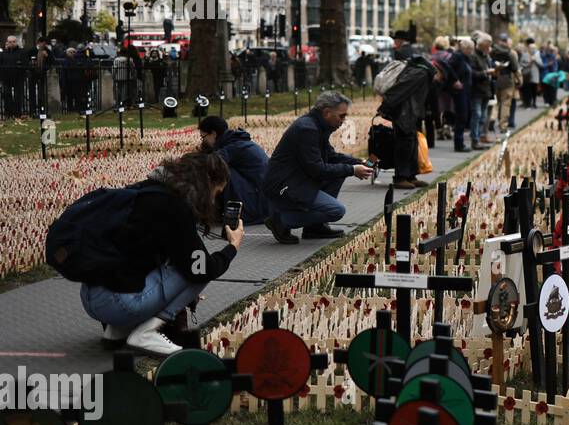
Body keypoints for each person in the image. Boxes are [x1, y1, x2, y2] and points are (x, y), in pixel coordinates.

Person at [79, 152, 244, 356]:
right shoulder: (175, 207)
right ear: (207, 183)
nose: (214, 200)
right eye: (216, 193)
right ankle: (145, 333)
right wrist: (232, 247)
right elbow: (202, 268)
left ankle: (116, 331)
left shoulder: (146, 189)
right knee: (200, 271)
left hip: (90, 297)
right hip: (118, 303)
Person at [262, 90, 373, 243]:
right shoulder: (307, 129)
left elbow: (331, 156)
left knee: (338, 172)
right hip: (284, 185)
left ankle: (315, 227)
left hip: (297, 178)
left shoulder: (317, 125)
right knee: (336, 211)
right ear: (327, 112)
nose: (344, 120)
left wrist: (357, 163)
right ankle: (281, 220)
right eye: (342, 116)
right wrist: (352, 170)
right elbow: (317, 169)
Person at [381, 29, 433, 189]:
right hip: (407, 110)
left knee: (408, 142)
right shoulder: (418, 67)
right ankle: (403, 176)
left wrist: (387, 104)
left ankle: (407, 175)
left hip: (407, 109)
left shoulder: (406, 56)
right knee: (406, 142)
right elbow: (402, 87)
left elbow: (401, 86)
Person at [200, 115, 271, 224]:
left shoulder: (234, 147)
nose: (202, 141)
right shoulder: (236, 142)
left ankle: (216, 212)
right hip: (262, 202)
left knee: (220, 171)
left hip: (256, 206)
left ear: (213, 134)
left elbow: (206, 163)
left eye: (203, 137)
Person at [468, 35, 496, 148]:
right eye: (487, 46)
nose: (488, 48)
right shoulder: (474, 56)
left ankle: (478, 137)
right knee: (477, 115)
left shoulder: (486, 56)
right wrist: (486, 72)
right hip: (477, 90)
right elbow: (472, 74)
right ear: (481, 45)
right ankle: (475, 139)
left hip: (485, 90)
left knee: (483, 116)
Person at [448, 38, 473, 151]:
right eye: (470, 49)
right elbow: (448, 67)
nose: (471, 51)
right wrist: (455, 80)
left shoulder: (465, 58)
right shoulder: (457, 56)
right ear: (465, 48)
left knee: (464, 115)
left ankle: (460, 142)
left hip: (466, 90)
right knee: (461, 116)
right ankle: (458, 143)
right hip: (460, 91)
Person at [491, 34, 519, 131]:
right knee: (505, 104)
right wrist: (519, 80)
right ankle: (503, 125)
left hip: (494, 79)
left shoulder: (492, 51)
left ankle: (492, 118)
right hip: (507, 80)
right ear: (506, 42)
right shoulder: (510, 53)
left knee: (495, 102)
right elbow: (515, 68)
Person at [518, 38, 538, 109]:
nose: (532, 50)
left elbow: (541, 64)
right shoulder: (525, 54)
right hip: (526, 75)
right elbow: (521, 64)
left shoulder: (537, 55)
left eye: (534, 48)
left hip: (534, 75)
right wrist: (528, 64)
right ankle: (527, 104)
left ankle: (533, 103)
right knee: (527, 90)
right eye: (531, 48)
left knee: (534, 90)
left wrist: (535, 60)